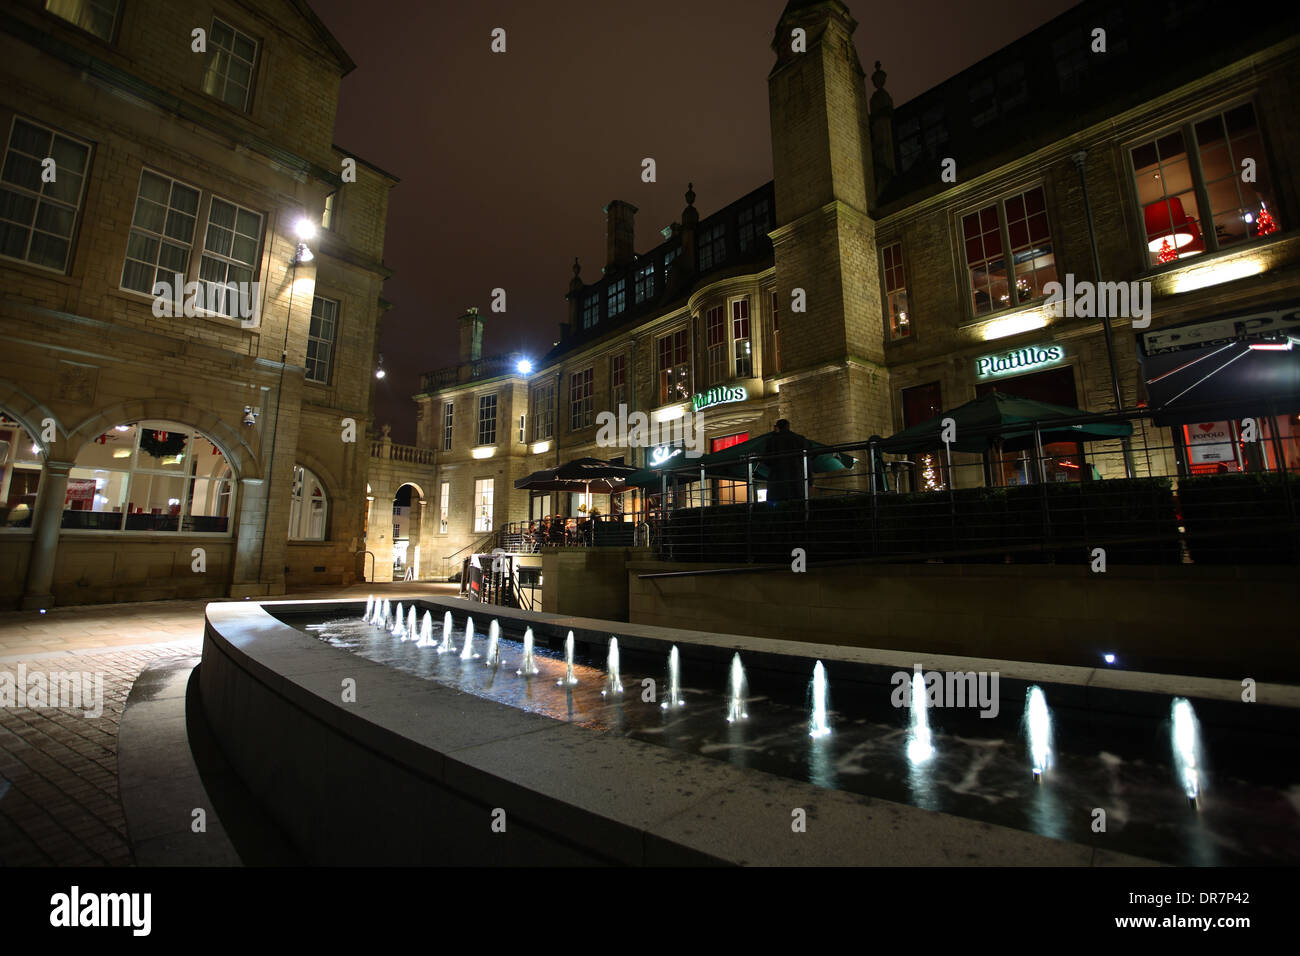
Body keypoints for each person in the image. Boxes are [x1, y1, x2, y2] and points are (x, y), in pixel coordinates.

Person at [764, 419, 808, 503]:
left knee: (778, 506)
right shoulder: (799, 439)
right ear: (788, 426)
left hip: (777, 480)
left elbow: (767, 461)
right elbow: (805, 460)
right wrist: (809, 480)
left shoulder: (771, 441)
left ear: (777, 427)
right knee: (798, 505)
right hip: (796, 479)